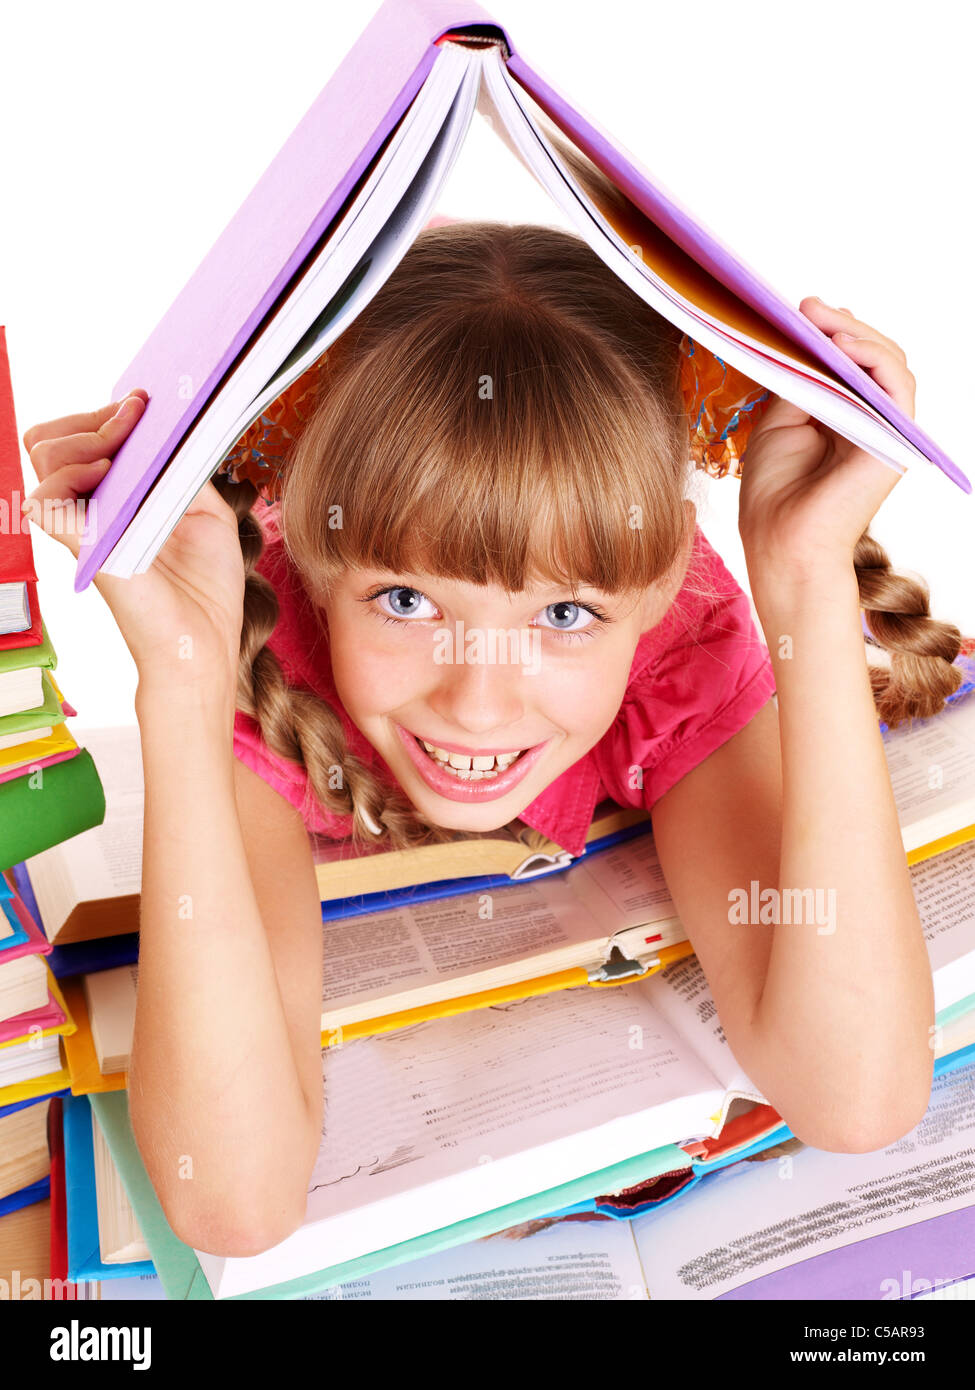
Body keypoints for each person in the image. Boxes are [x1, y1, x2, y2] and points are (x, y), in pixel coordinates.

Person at [21, 220, 966, 1260]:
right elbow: (230, 1204)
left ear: (662, 589)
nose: (478, 706)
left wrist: (804, 578)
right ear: (322, 571)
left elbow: (857, 1096)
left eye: (564, 616)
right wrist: (181, 683)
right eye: (405, 600)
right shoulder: (261, 642)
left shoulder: (679, 641)